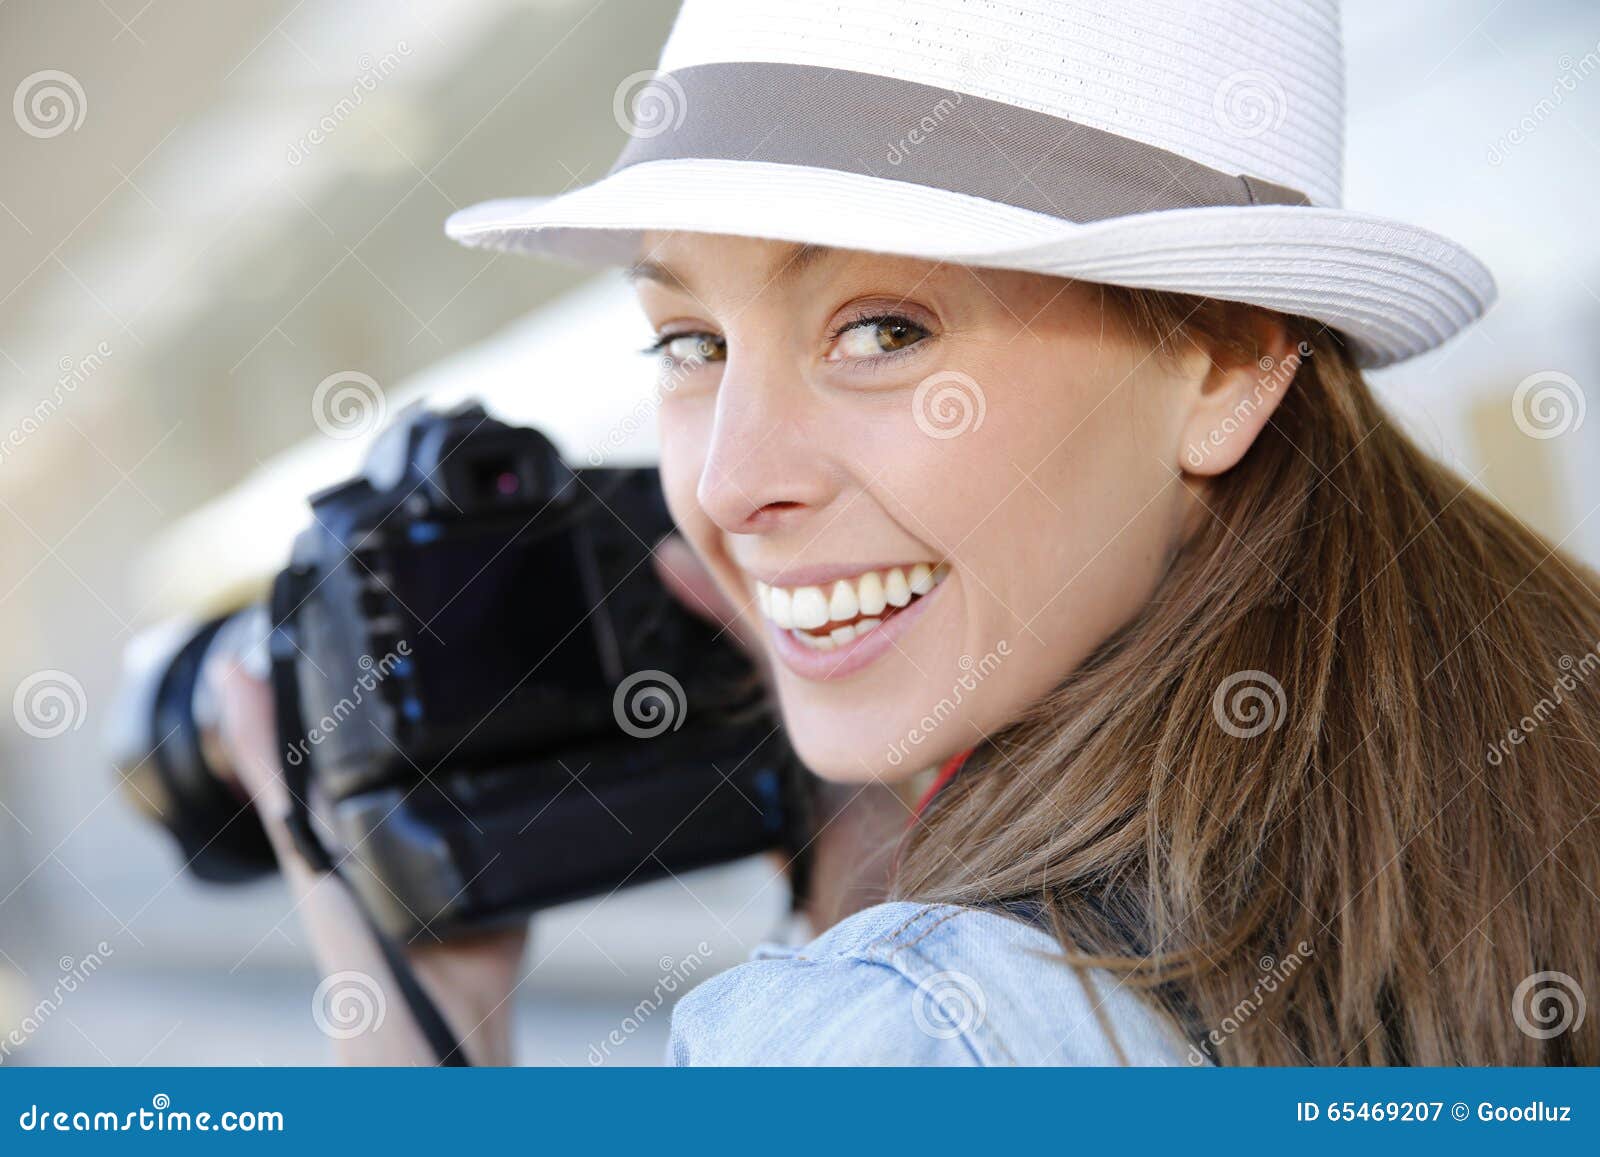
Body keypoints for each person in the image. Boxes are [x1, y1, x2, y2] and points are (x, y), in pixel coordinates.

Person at [218, 0, 1600, 1065]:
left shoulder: (903, 1039)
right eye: (689, 340)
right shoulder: (1519, 784)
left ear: (1225, 360)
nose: (733, 481)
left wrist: (414, 1041)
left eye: (882, 330)